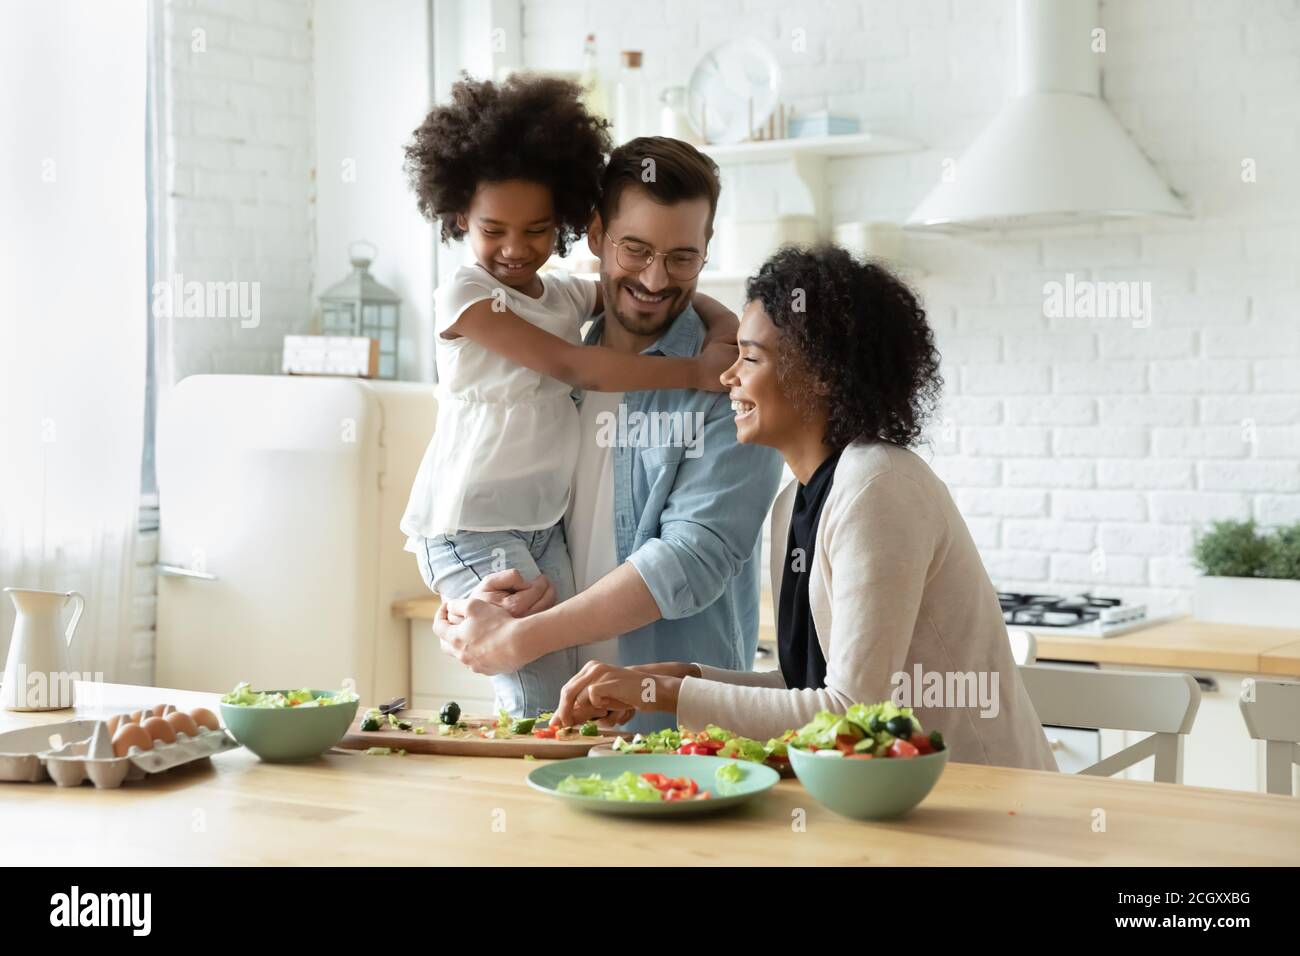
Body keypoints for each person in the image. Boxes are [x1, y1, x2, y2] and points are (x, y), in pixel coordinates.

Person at [549, 244, 1058, 771]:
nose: (728, 377)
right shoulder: (794, 502)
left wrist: (662, 693)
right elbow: (805, 689)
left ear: (822, 373)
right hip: (890, 805)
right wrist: (673, 679)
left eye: (750, 357)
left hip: (983, 810)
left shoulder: (877, 487)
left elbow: (849, 715)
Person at [400, 78, 739, 718]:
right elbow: (573, 367)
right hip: (474, 527)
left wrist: (727, 333)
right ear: (595, 234)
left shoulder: (727, 387)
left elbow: (690, 560)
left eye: (682, 257)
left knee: (536, 680)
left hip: (667, 725)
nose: (655, 278)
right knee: (532, 701)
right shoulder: (508, 316)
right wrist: (469, 621)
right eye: (635, 249)